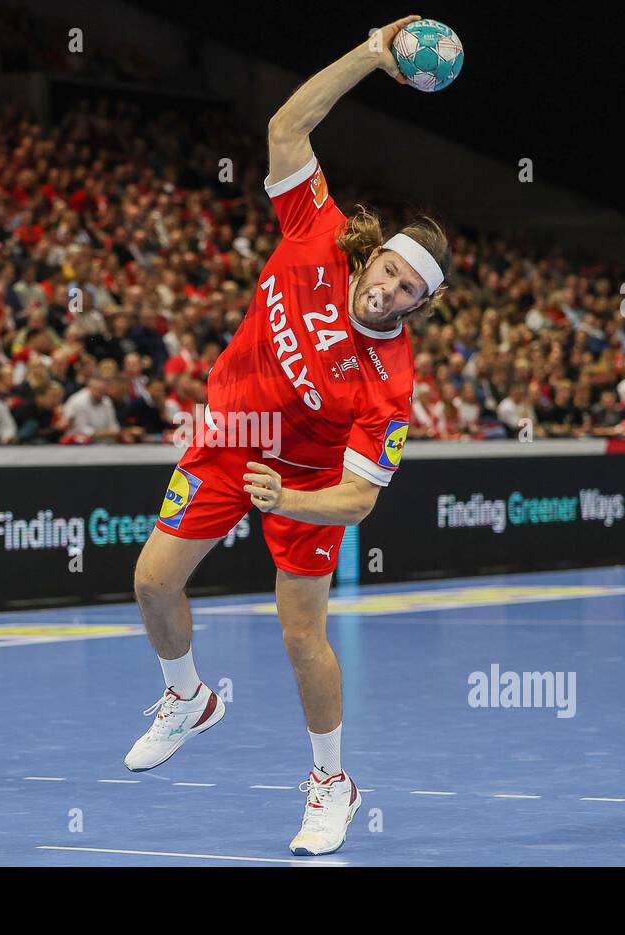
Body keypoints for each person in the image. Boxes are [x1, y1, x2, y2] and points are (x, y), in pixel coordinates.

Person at [125, 15, 449, 857]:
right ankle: (187, 697)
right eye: (389, 269)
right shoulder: (318, 233)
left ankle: (331, 785)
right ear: (374, 258)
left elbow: (361, 501)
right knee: (153, 585)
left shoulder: (391, 382)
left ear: (420, 304)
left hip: (307, 480)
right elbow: (286, 126)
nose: (388, 288)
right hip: (228, 438)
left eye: (408, 288)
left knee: (300, 633)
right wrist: (373, 54)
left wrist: (293, 495)